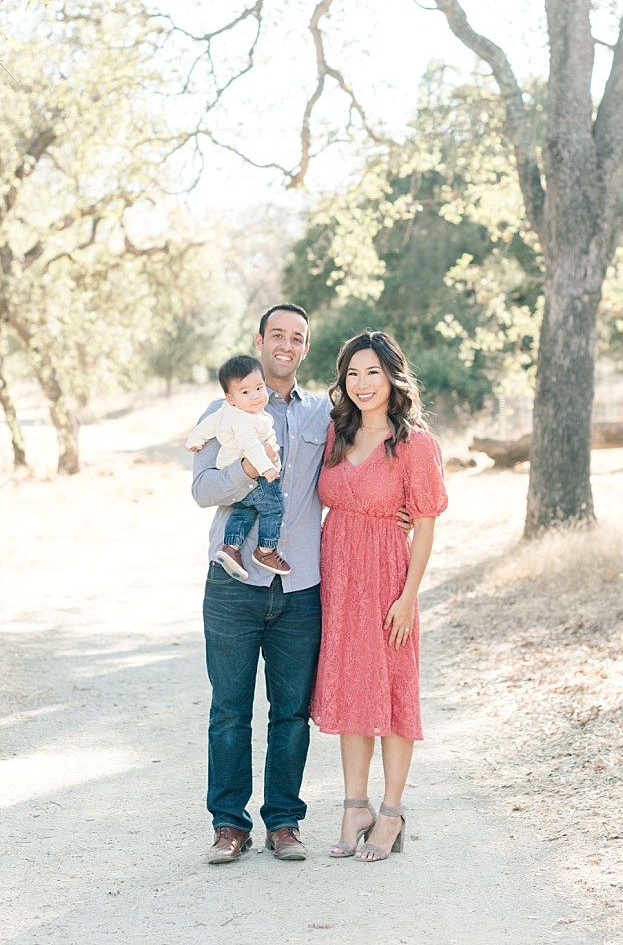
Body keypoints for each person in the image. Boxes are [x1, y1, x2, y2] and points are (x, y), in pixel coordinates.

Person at [191, 304, 332, 864]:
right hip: (232, 585)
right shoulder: (223, 408)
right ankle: (229, 825)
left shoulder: (323, 412)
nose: (286, 344)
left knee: (291, 712)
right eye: (277, 334)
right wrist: (247, 472)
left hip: (299, 587)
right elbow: (202, 491)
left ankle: (284, 823)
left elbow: (361, 460)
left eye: (297, 337)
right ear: (260, 338)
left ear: (304, 347)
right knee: (229, 710)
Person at [310, 330, 446, 862]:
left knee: (390, 694)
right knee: (349, 692)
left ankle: (391, 812)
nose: (363, 384)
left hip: (389, 580)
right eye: (353, 374)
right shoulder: (335, 434)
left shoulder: (415, 444)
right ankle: (354, 807)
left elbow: (427, 527)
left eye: (373, 372)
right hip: (339, 580)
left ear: (393, 376)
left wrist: (407, 598)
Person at [186, 354, 289, 580]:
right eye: (245, 392)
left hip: (237, 482)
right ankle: (266, 551)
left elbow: (208, 426)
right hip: (257, 477)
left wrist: (194, 440)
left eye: (260, 388)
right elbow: (251, 446)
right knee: (273, 508)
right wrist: (266, 469)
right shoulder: (247, 421)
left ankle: (231, 548)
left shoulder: (226, 412)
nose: (255, 397)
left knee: (243, 511)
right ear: (230, 398)